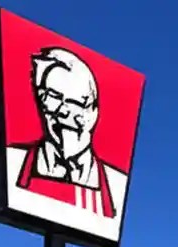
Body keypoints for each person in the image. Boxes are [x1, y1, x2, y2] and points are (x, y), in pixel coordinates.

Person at [7, 47, 121, 218]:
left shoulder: (116, 185)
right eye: (54, 96)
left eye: (78, 103)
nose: (65, 111)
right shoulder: (9, 163)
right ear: (40, 102)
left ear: (94, 112)